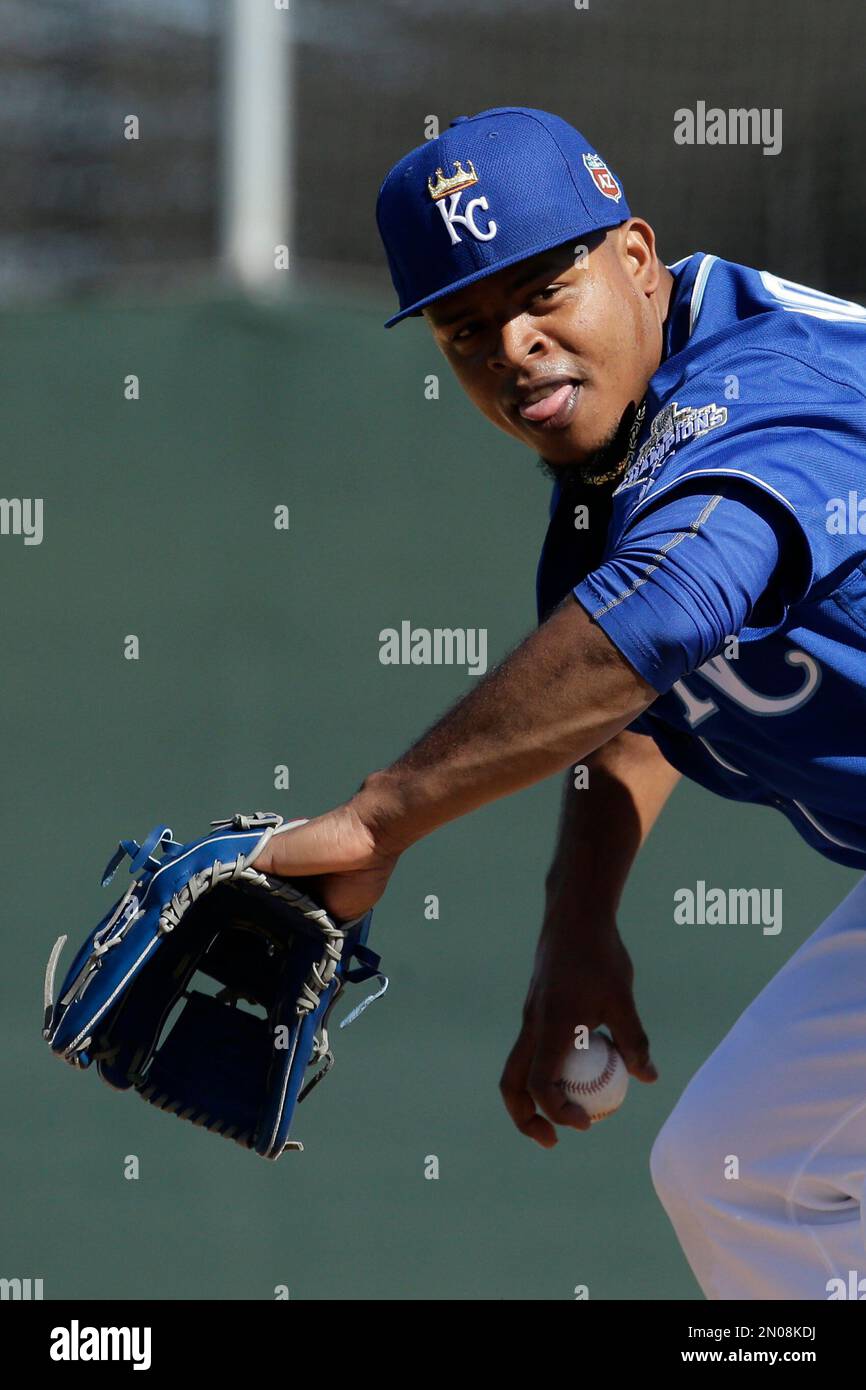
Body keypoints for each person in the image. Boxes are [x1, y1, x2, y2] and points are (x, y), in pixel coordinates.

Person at [254, 107, 866, 1299]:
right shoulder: (618, 468)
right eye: (468, 326)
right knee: (741, 1174)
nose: (515, 344)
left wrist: (384, 816)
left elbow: (669, 610)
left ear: (633, 257)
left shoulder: (771, 381)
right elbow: (635, 698)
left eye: (544, 288)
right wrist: (576, 923)